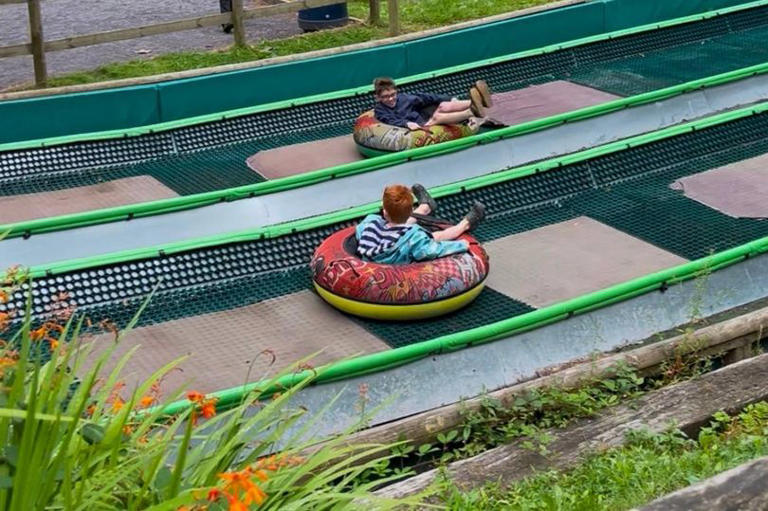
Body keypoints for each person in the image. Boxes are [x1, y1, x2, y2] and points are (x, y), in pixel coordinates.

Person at [356, 183, 486, 265]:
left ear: (384, 212)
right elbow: (432, 250)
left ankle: (425, 207)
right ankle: (465, 224)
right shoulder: (414, 238)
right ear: (411, 211)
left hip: (385, 243)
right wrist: (460, 245)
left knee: (393, 223)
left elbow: (359, 231)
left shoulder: (369, 225)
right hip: (401, 252)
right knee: (437, 236)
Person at [372, 76, 493, 131]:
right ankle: (471, 111)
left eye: (393, 95)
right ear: (378, 97)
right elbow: (389, 120)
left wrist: (451, 98)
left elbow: (427, 97)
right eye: (385, 97)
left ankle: (479, 101)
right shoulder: (380, 110)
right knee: (437, 117)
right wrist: (407, 123)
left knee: (442, 105)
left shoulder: (404, 98)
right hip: (420, 129)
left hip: (424, 120)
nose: (390, 99)